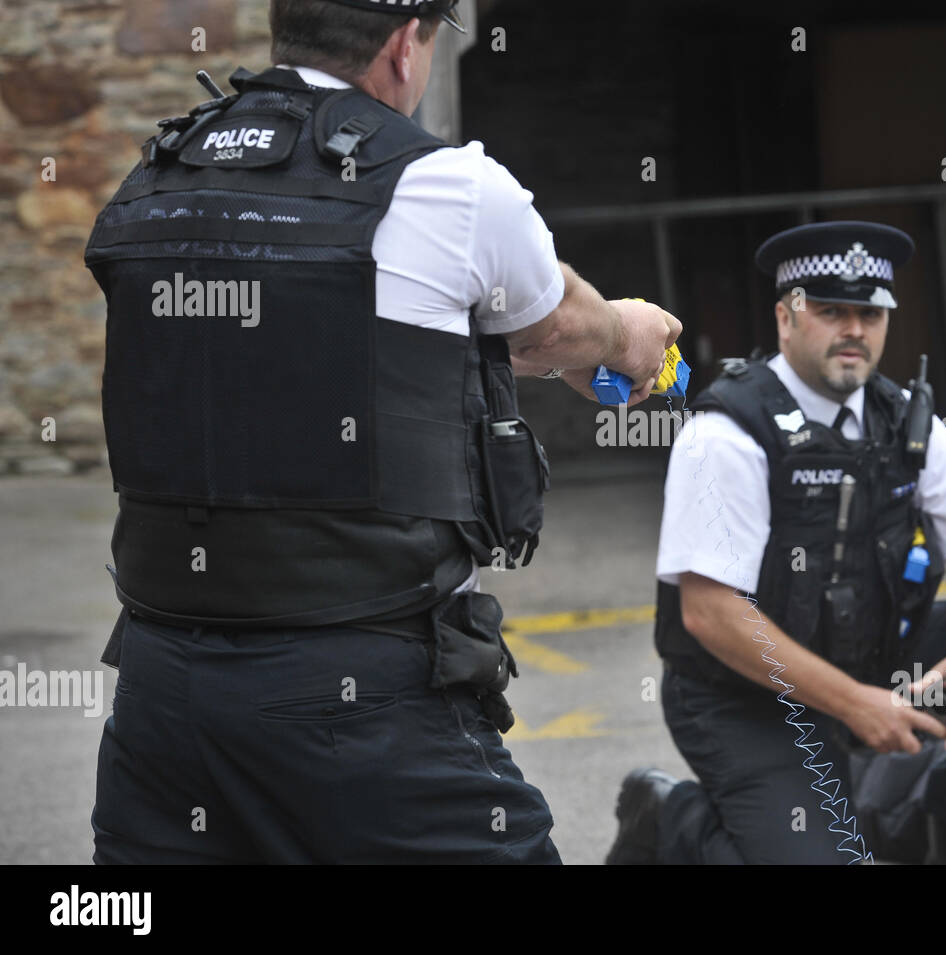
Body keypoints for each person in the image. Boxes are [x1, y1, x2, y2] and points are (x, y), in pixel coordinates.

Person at [84, 0, 680, 864]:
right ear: (405, 47)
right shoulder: (449, 185)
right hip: (359, 691)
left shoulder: (161, 170)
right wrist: (632, 332)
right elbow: (556, 327)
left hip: (160, 687)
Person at [606, 221, 946, 864]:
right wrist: (855, 705)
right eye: (830, 311)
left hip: (868, 657)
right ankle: (670, 818)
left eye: (869, 312)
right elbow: (709, 612)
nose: (854, 329)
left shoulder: (904, 419)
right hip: (746, 696)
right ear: (786, 318)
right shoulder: (728, 433)